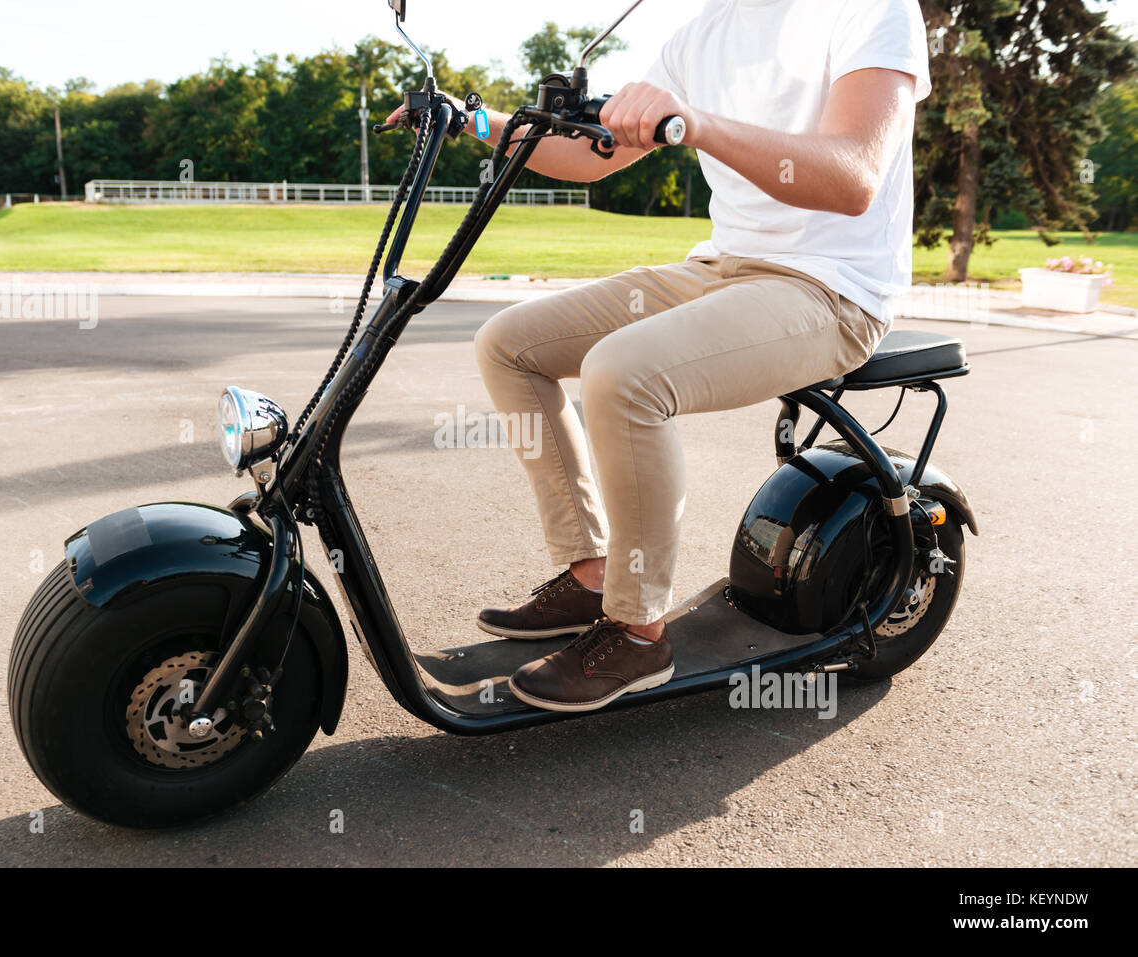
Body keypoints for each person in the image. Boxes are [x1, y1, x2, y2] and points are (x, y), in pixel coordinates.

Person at [387, 0, 931, 713]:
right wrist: (473, 120)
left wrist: (696, 122)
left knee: (624, 372)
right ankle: (592, 573)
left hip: (831, 290)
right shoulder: (700, 34)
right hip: (724, 267)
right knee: (509, 343)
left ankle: (640, 631)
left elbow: (852, 176)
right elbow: (591, 154)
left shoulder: (871, 9)